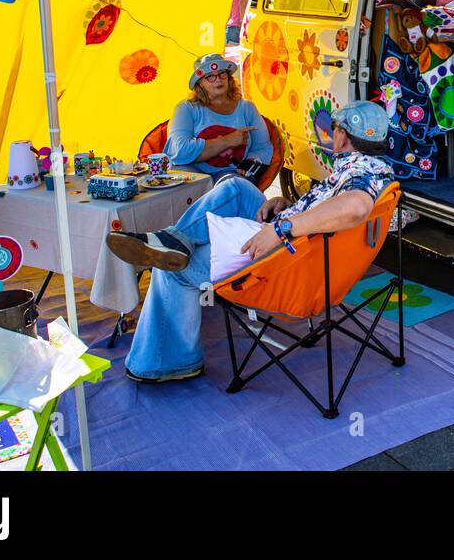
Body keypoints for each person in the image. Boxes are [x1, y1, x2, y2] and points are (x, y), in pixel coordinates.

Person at [107, 100, 394, 383]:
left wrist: (282, 228)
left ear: (343, 135)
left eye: (334, 128)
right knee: (236, 186)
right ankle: (175, 239)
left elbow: (355, 208)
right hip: (304, 248)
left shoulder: (360, 171)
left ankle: (166, 364)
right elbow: (333, 205)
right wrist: (290, 205)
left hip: (288, 261)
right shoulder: (372, 167)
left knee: (174, 270)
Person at [165, 53, 273, 179]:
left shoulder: (246, 108)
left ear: (229, 78)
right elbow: (178, 152)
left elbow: (263, 147)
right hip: (194, 173)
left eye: (222, 73)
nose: (218, 79)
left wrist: (250, 163)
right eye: (210, 76)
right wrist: (229, 140)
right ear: (200, 84)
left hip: (232, 174)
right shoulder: (187, 108)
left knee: (232, 186)